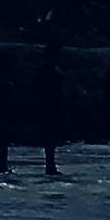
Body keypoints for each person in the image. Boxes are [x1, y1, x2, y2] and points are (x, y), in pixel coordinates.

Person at [33, 42, 69, 180]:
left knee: (51, 139)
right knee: (50, 139)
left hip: (49, 107)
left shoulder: (45, 70)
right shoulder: (50, 71)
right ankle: (50, 166)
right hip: (50, 107)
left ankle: (50, 165)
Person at [0, 41, 22, 178]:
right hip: (2, 114)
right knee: (3, 142)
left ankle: (1, 165)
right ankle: (1, 166)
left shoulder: (0, 80)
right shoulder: (4, 82)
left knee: (3, 142)